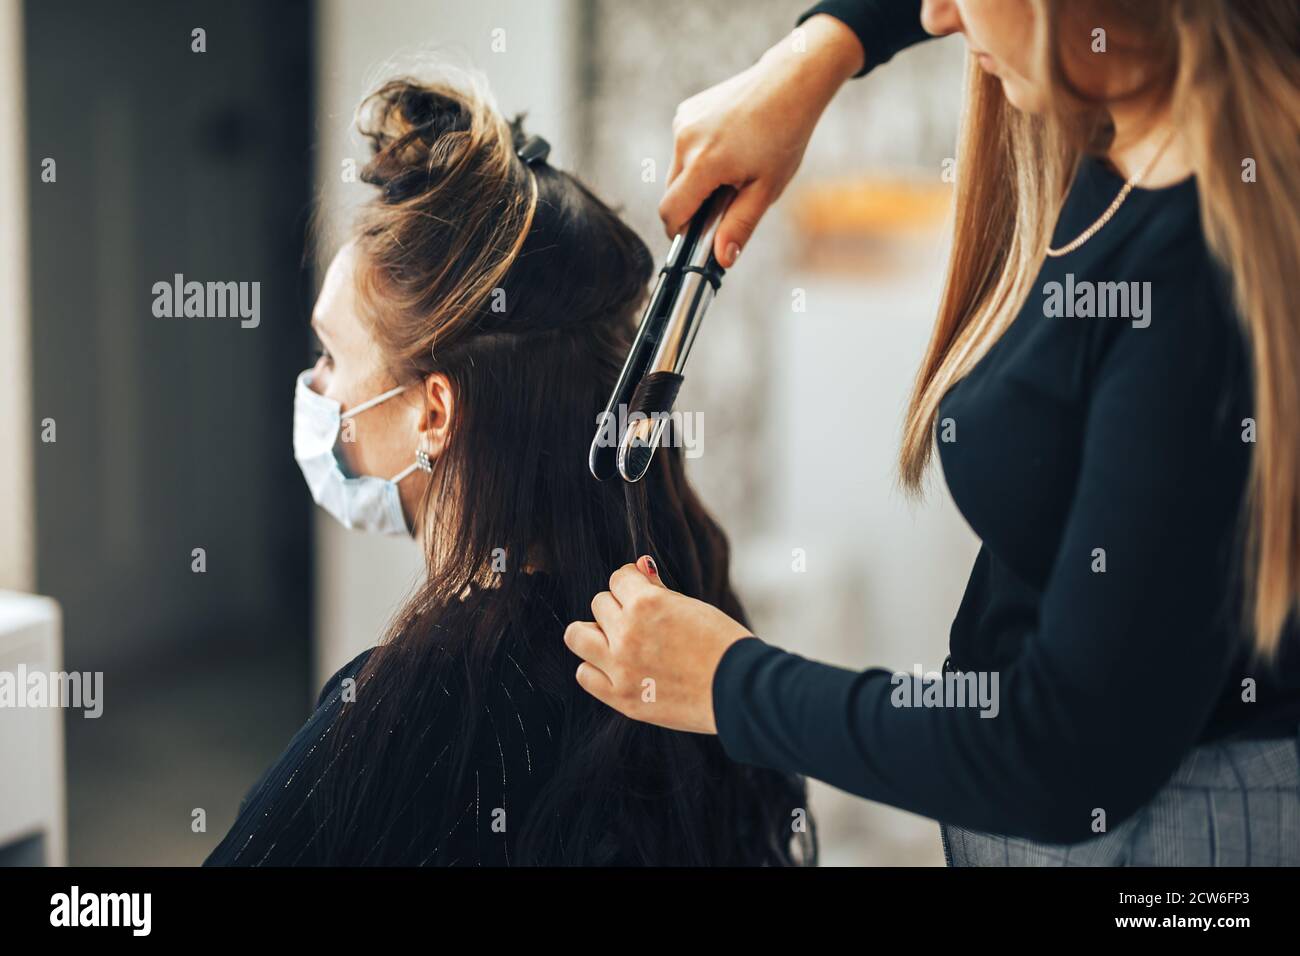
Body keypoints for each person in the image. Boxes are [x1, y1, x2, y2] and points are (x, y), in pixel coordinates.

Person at [565, 0, 1300, 865]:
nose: (935, 13)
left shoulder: (1200, 281)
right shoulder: (1116, 131)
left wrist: (730, 686)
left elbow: (1067, 759)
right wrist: (817, 55)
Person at [204, 72, 814, 866]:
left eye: (330, 354)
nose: (316, 387)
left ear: (434, 413)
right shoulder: (687, 629)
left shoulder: (410, 711)